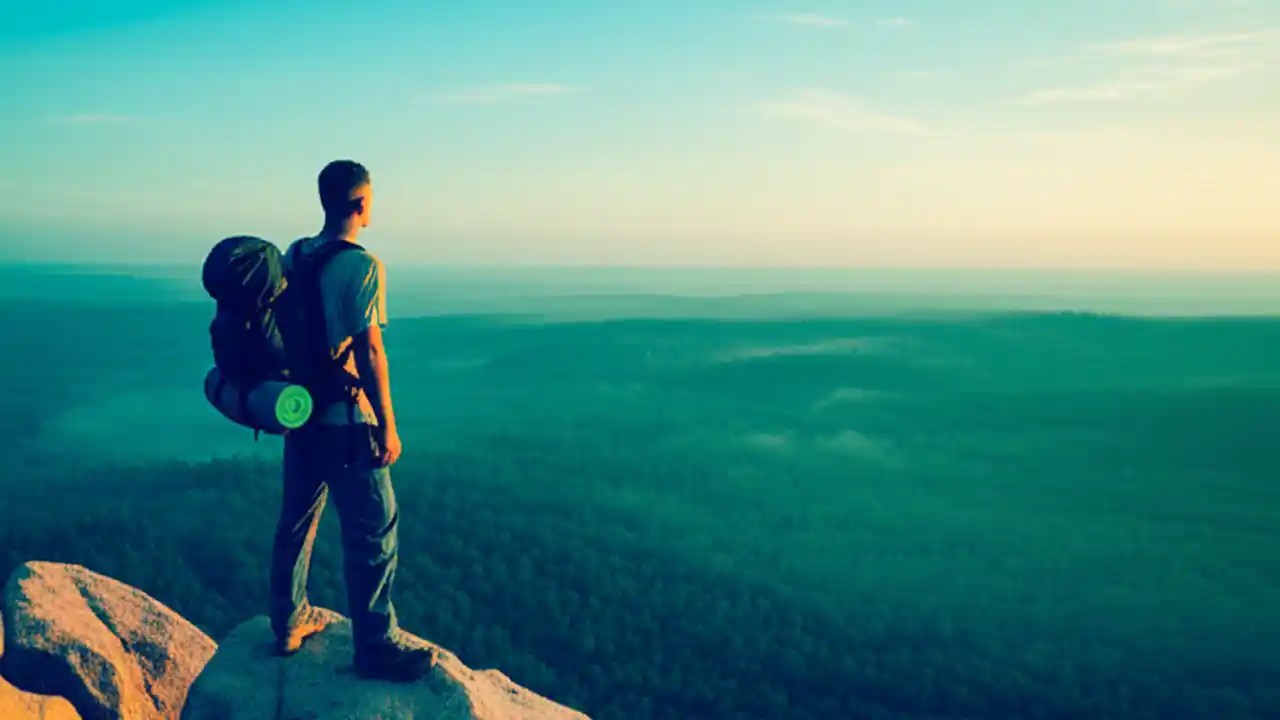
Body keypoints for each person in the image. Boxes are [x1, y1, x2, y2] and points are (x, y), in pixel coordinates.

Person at [268, 159, 434, 682]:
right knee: (374, 533)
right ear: (361, 204)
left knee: (296, 520)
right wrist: (387, 424)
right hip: (346, 421)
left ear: (325, 201)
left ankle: (289, 621)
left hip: (300, 414)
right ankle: (376, 646)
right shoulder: (361, 266)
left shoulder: (296, 254)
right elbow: (370, 351)